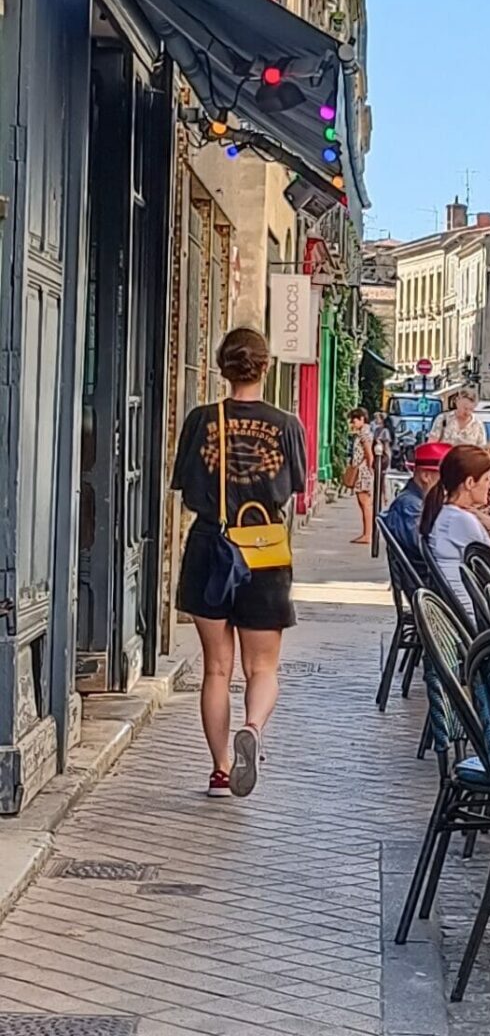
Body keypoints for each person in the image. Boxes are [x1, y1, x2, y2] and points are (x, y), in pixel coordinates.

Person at [172, 326, 305, 799]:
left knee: (215, 669)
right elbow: (295, 489)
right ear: (265, 367)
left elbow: (185, 488)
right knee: (263, 667)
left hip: (211, 544)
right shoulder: (288, 424)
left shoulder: (201, 419)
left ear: (220, 367)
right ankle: (251, 726)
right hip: (264, 548)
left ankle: (221, 769)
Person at [421, 444, 490, 618]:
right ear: (469, 483)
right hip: (474, 617)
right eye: (487, 479)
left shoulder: (447, 513)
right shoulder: (461, 520)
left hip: (461, 611)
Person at [382, 441, 448, 562]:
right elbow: (427, 549)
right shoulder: (410, 505)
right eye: (446, 477)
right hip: (426, 577)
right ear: (426, 476)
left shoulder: (415, 501)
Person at [347, 407, 376, 546]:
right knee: (363, 503)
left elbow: (369, 454)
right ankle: (366, 533)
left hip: (363, 471)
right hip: (363, 470)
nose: (353, 424)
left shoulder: (364, 434)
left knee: (365, 503)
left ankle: (367, 534)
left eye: (354, 421)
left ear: (362, 419)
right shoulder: (364, 432)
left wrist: (370, 469)